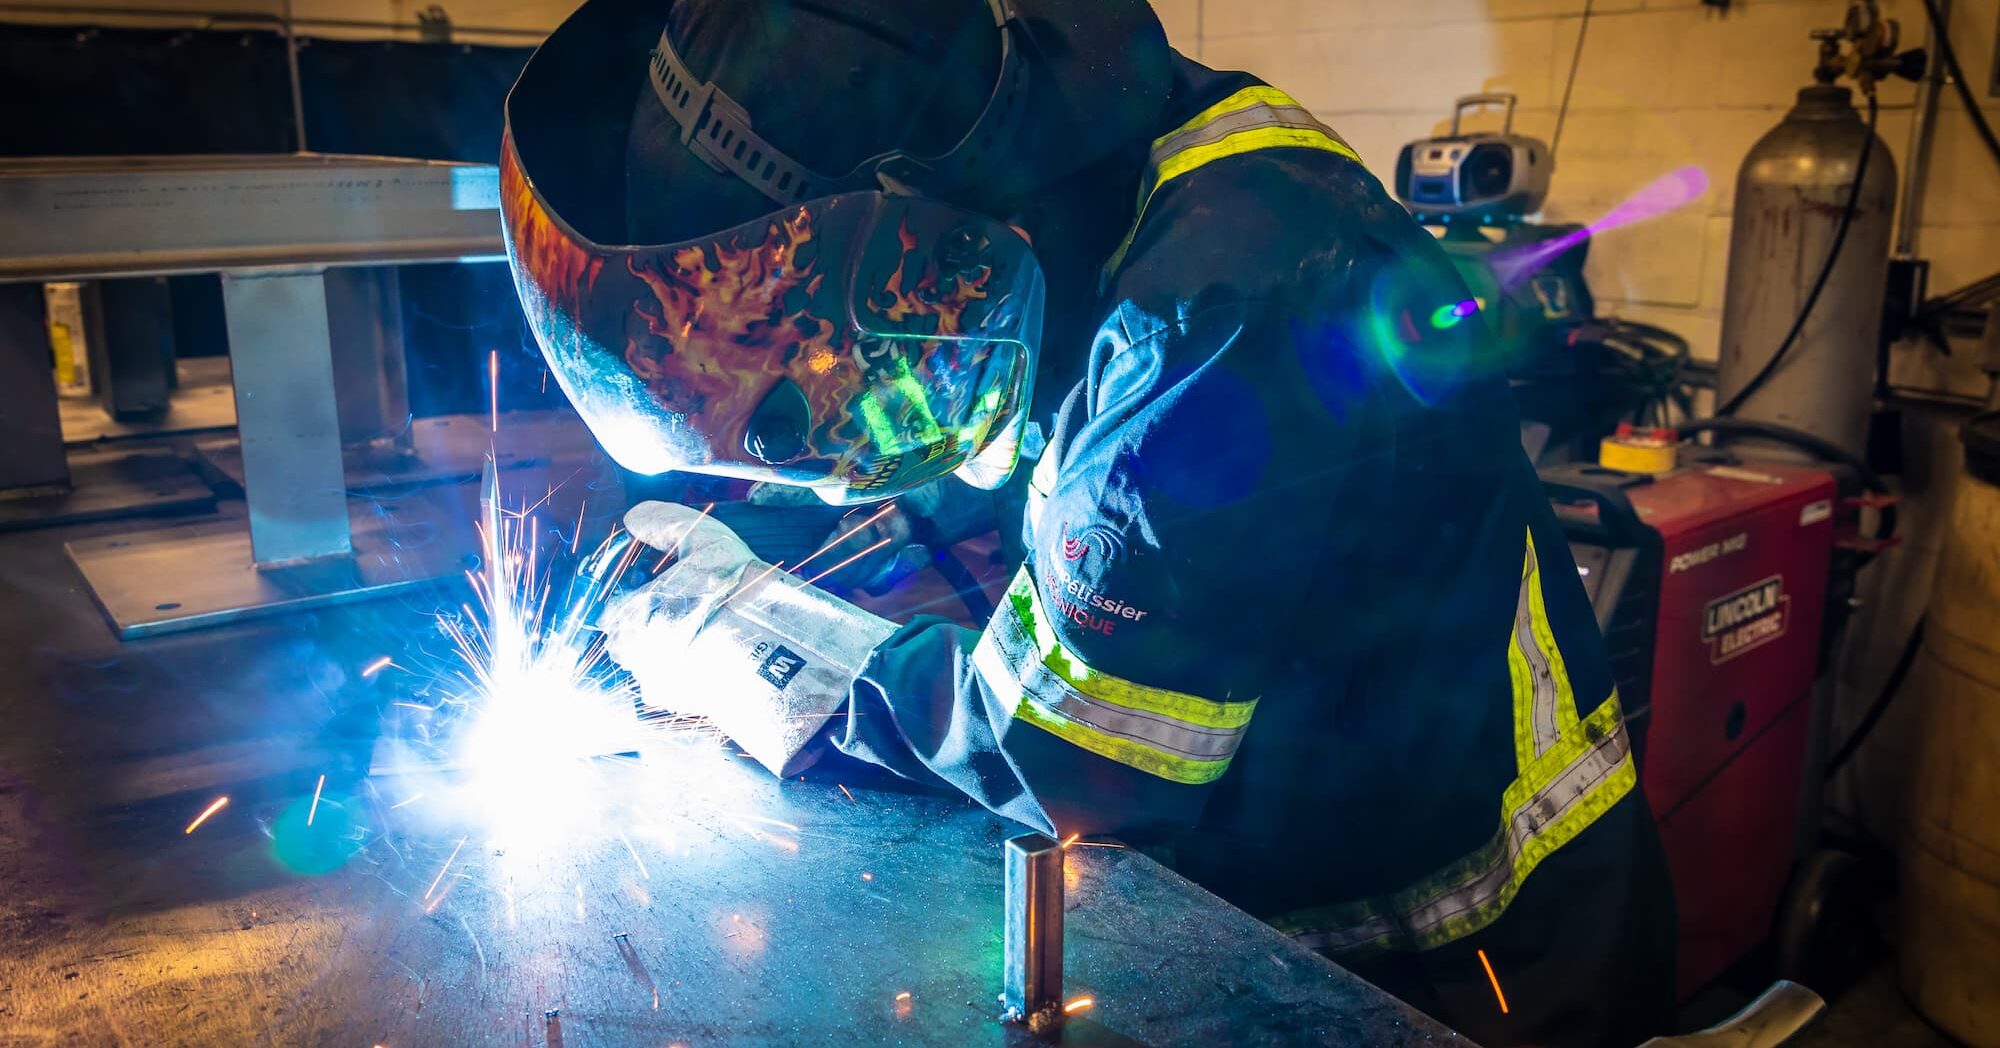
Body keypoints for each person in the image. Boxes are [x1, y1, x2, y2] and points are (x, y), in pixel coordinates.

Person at [498, 1, 1676, 1044]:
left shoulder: (1213, 304)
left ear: (903, 232)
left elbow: (1065, 768)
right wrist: (787, 554)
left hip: (1457, 961)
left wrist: (758, 649)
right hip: (1286, 903)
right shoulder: (1067, 193)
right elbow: (995, 454)